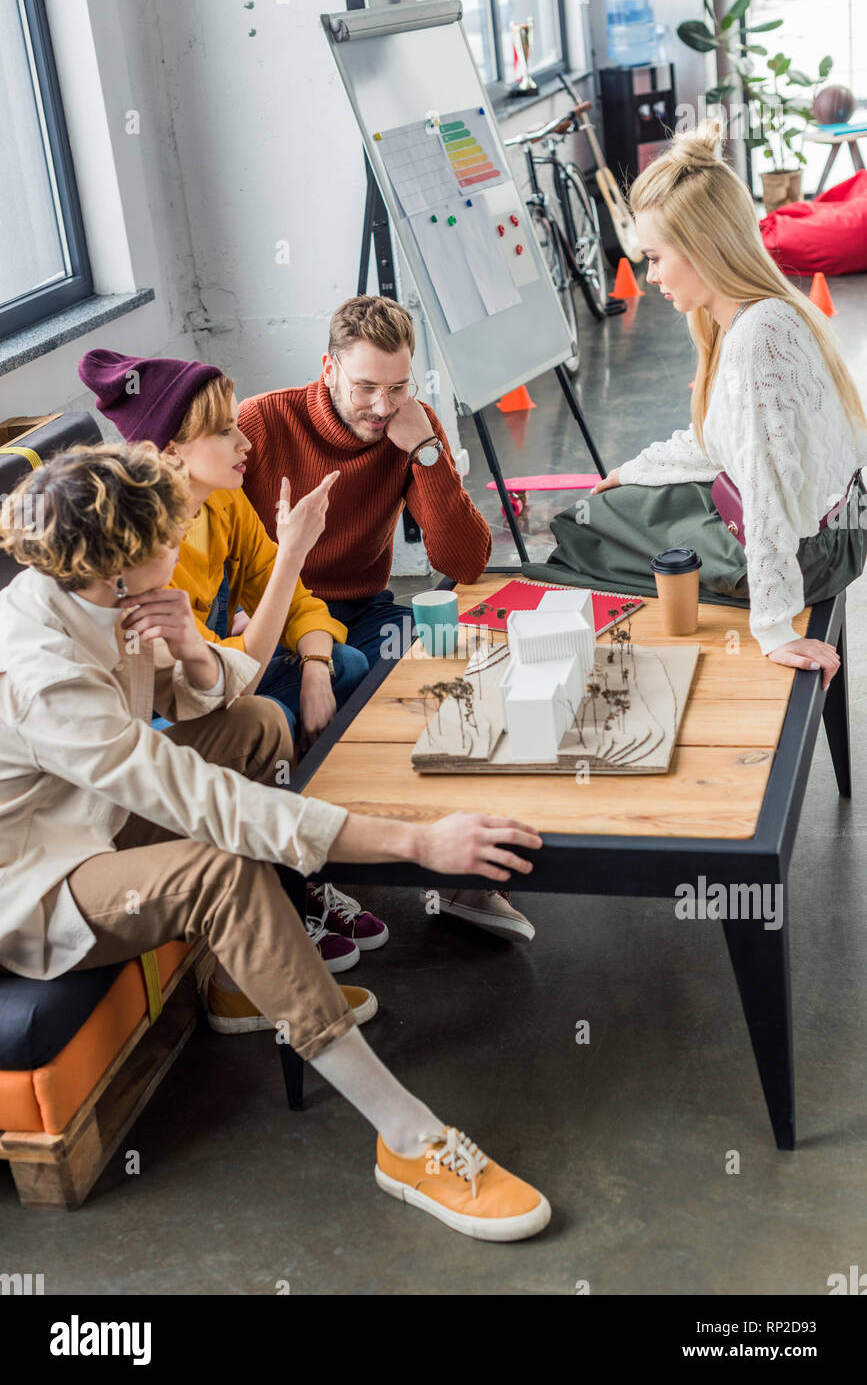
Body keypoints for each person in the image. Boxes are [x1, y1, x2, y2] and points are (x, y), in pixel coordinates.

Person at [0, 445, 550, 1242]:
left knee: (257, 725)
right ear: (119, 568)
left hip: (85, 818)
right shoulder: (43, 673)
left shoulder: (91, 595)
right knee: (218, 869)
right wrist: (415, 844)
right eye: (169, 535)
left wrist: (189, 648)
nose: (182, 536)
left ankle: (236, 985)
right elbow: (207, 803)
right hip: (31, 884)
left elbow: (216, 698)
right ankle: (407, 1138)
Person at [78, 350, 387, 993]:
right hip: (174, 719)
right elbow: (222, 681)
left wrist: (315, 664)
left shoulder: (223, 504)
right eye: (224, 431)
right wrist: (294, 552)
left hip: (213, 685)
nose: (245, 439)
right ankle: (292, 885)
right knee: (266, 713)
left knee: (347, 663)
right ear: (168, 453)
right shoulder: (145, 556)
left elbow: (297, 606)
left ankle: (305, 853)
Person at [522, 121, 867, 688]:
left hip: (812, 553)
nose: (649, 275)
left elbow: (767, 486)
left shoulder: (759, 338)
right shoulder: (753, 315)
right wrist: (634, 474)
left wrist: (776, 627)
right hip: (828, 530)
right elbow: (720, 441)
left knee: (586, 530)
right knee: (611, 506)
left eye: (656, 258)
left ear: (705, 248)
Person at [238, 294, 535, 943]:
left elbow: (462, 560)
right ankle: (306, 880)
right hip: (277, 611)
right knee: (295, 715)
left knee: (444, 677)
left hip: (362, 607)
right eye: (365, 386)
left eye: (397, 386)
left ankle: (460, 875)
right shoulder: (261, 423)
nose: (380, 406)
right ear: (327, 369)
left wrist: (425, 452)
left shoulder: (409, 423)